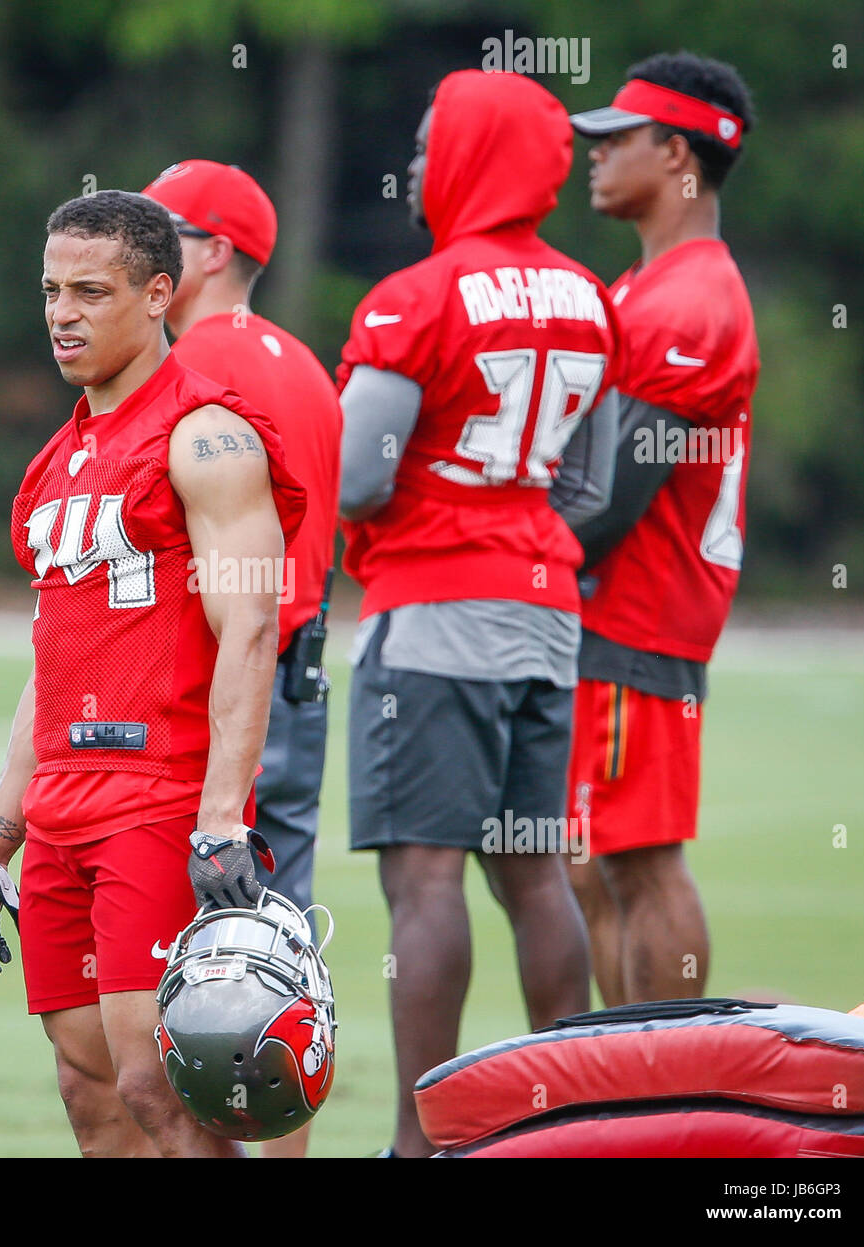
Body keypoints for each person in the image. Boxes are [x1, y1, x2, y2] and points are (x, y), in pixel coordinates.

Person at [0, 189, 305, 1158]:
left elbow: (252, 628)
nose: (62, 312)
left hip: (158, 792)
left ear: (157, 293)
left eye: (90, 291)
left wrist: (223, 814)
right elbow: (49, 665)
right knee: (86, 1077)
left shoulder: (207, 436)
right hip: (62, 802)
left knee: (159, 1077)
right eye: (52, 290)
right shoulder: (58, 461)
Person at [337, 70, 621, 1158]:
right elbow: (587, 488)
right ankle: (578, 1119)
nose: (414, 166)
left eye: (428, 143)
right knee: (531, 868)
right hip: (543, 609)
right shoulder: (587, 296)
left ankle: (421, 1138)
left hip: (436, 606)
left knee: (423, 876)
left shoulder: (415, 295)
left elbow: (360, 478)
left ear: (472, 157)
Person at [142, 159, 342, 1158]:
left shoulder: (197, 367)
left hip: (226, 684)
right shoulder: (304, 362)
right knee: (274, 963)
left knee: (202, 977)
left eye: (162, 228)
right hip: (299, 672)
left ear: (216, 249)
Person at [564, 52, 759, 1006]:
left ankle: (665, 1079)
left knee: (637, 862)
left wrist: (509, 561)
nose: (591, 154)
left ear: (676, 154)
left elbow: (606, 500)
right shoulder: (650, 285)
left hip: (636, 612)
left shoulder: (688, 298)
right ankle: (625, 1082)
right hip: (616, 616)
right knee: (590, 868)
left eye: (615, 139)